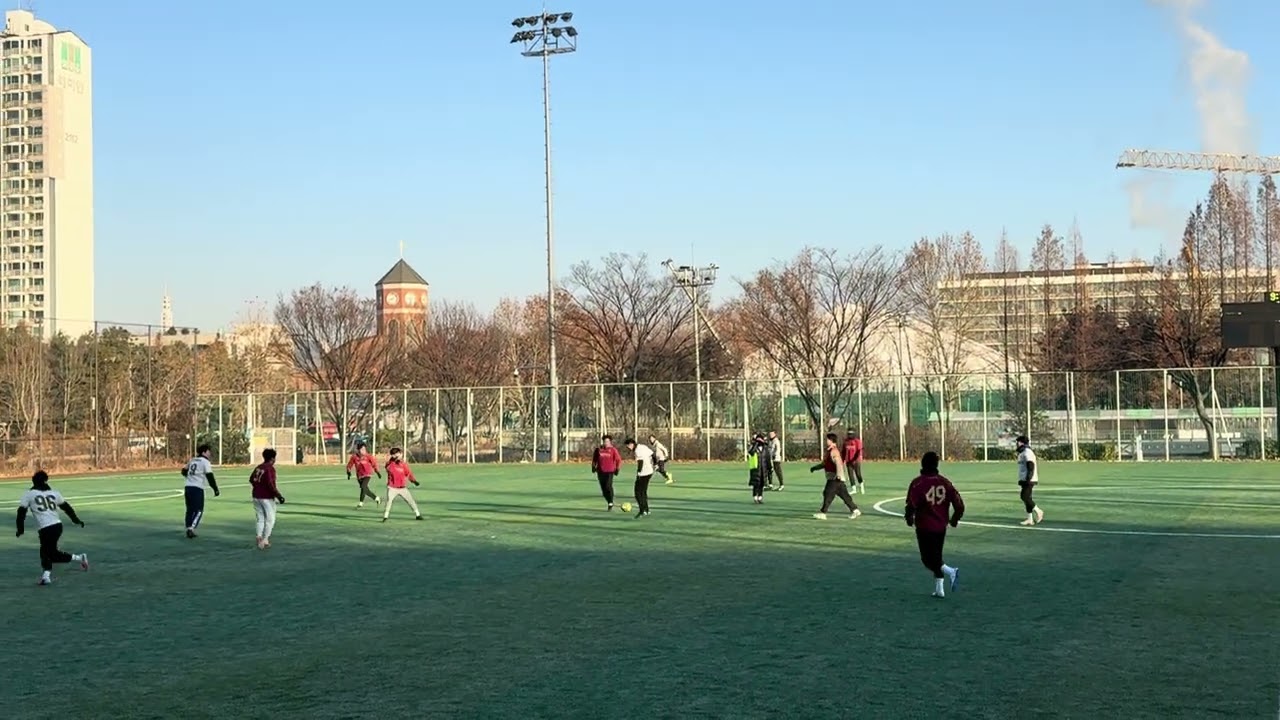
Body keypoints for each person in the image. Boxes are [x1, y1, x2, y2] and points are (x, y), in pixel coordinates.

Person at [905, 451, 964, 598]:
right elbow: (959, 505)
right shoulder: (945, 482)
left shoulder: (918, 483)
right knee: (937, 556)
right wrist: (954, 520)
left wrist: (909, 518)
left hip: (924, 526)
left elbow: (911, 504)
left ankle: (951, 571)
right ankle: (939, 589)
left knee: (928, 560)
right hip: (941, 526)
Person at [15, 470, 89, 586]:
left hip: (46, 528)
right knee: (48, 553)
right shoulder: (54, 493)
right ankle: (48, 575)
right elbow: (67, 507)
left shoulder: (29, 494)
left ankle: (77, 559)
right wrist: (75, 520)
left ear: (33, 481)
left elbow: (21, 513)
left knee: (48, 553)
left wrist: (20, 529)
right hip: (57, 526)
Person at [810, 432, 861, 520]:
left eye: (827, 440)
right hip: (835, 478)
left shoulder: (834, 451)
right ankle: (855, 510)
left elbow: (838, 463)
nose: (826, 441)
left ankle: (823, 513)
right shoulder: (829, 451)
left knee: (828, 493)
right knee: (844, 495)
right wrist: (815, 468)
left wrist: (838, 475)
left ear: (831, 441)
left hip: (835, 478)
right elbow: (825, 464)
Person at [249, 448, 286, 549]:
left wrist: (258, 487)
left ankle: (258, 536)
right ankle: (265, 539)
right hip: (266, 497)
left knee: (260, 518)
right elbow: (270, 484)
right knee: (270, 519)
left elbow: (251, 479)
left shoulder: (259, 467)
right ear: (272, 458)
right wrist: (279, 496)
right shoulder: (270, 468)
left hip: (256, 496)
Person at [181, 444, 219, 538]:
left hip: (188, 487)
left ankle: (188, 527)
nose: (209, 453)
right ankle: (191, 529)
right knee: (199, 510)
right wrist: (215, 489)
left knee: (189, 509)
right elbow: (210, 476)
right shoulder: (205, 462)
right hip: (197, 488)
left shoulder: (193, 460)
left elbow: (183, 471)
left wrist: (190, 477)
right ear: (204, 452)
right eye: (208, 451)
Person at [382, 447, 423, 522]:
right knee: (389, 501)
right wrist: (393, 460)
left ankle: (418, 515)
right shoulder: (390, 464)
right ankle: (385, 517)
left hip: (402, 488)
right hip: (392, 487)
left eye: (399, 453)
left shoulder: (403, 464)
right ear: (393, 455)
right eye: (397, 454)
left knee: (411, 501)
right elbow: (388, 468)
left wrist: (414, 481)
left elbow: (408, 473)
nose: (400, 455)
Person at [1016, 435, 1045, 526]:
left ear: (1021, 442)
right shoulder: (1022, 452)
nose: (1016, 444)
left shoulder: (1027, 452)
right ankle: (1030, 519)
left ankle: (1038, 511)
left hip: (1029, 479)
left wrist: (1028, 478)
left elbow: (1031, 465)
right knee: (1027, 498)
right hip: (1024, 478)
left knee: (1024, 496)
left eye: (1018, 442)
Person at [624, 438, 655, 517]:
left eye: (628, 446)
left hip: (644, 473)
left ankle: (642, 510)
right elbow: (653, 454)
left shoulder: (638, 450)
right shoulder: (642, 446)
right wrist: (655, 464)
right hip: (649, 471)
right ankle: (646, 510)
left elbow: (640, 462)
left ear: (631, 444)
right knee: (643, 492)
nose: (628, 448)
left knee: (638, 493)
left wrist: (638, 473)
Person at [591, 434, 623, 511]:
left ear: (610, 442)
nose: (606, 443)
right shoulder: (598, 450)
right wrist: (593, 467)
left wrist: (617, 469)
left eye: (607, 441)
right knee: (603, 489)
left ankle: (611, 501)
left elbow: (618, 460)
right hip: (600, 471)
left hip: (610, 471)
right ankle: (608, 501)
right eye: (605, 441)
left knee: (608, 486)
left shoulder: (613, 450)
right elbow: (594, 459)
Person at [346, 442, 382, 509]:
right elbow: (349, 465)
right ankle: (376, 498)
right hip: (359, 475)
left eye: (364, 449)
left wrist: (377, 472)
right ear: (358, 450)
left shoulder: (368, 456)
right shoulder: (354, 457)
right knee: (365, 489)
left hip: (367, 474)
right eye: (362, 449)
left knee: (363, 487)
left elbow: (374, 464)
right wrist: (348, 472)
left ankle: (361, 503)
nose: (364, 451)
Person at [747, 432, 768, 503]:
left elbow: (767, 458)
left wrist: (769, 468)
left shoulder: (765, 448)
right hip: (755, 469)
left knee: (761, 484)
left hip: (763, 469)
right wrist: (755, 444)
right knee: (756, 484)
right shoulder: (754, 448)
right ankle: (755, 497)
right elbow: (751, 452)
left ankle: (760, 497)